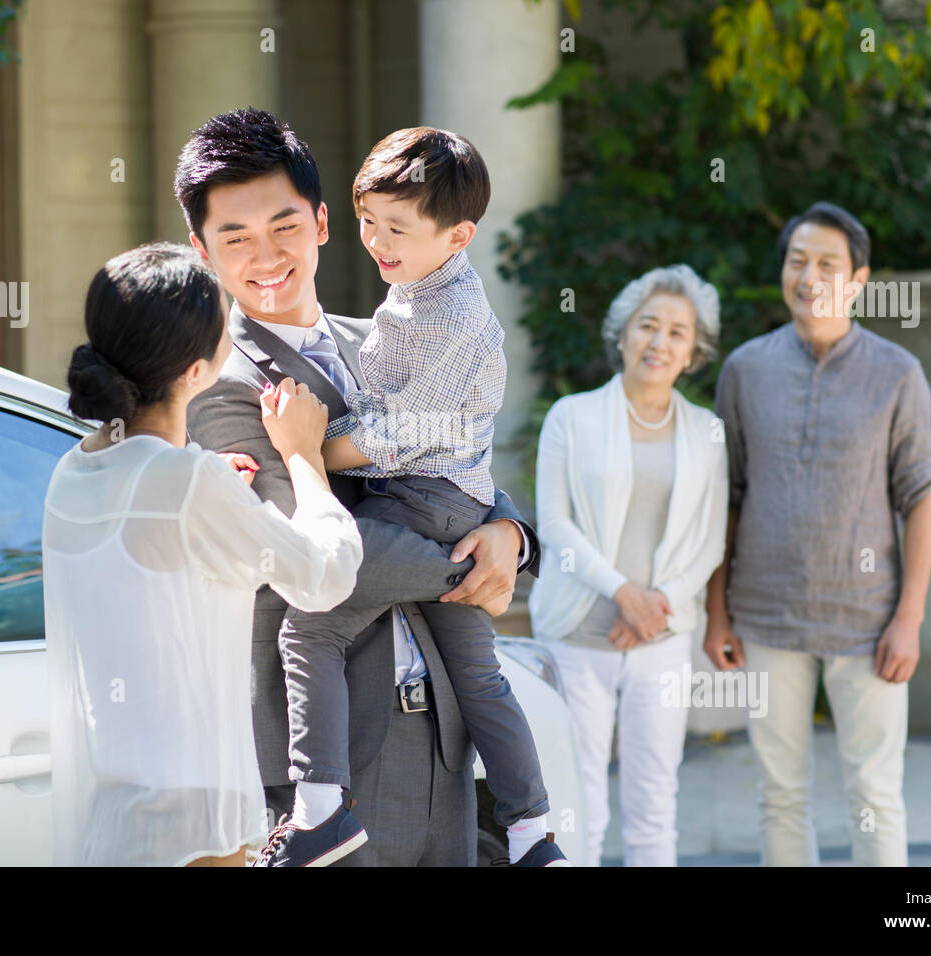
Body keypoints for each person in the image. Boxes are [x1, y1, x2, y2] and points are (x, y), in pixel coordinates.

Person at [176, 107, 540, 866]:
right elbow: (310, 553)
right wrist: (467, 569)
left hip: (443, 745)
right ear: (200, 250)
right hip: (335, 764)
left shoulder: (391, 330)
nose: (265, 255)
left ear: (322, 221)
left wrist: (511, 533)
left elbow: (453, 450)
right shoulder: (223, 391)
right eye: (234, 237)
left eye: (283, 226)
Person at [267, 127, 560, 867]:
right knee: (482, 675)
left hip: (421, 501)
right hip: (431, 517)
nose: (377, 241)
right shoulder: (413, 298)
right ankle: (531, 832)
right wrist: (494, 554)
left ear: (459, 234)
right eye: (369, 221)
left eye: (397, 228)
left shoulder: (445, 315)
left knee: (313, 626)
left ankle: (321, 806)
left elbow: (401, 433)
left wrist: (307, 446)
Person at [43, 242, 362, 866]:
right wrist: (303, 455)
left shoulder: (71, 474)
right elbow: (324, 577)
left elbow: (151, 548)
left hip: (113, 821)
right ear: (195, 372)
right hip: (196, 828)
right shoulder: (187, 484)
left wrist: (206, 487)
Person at [705, 201, 931, 866]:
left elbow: (922, 498)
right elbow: (729, 496)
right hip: (765, 614)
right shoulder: (745, 371)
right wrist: (717, 612)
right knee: (779, 794)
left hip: (869, 622)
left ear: (859, 279)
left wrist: (910, 619)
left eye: (828, 263)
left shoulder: (897, 373)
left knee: (874, 793)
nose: (809, 275)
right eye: (797, 260)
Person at [530, 264, 728, 867]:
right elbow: (555, 527)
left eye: (676, 332)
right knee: (578, 804)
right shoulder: (572, 416)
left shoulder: (707, 431)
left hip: (660, 640)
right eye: (648, 326)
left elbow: (711, 541)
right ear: (622, 334)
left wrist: (653, 607)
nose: (659, 342)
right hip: (579, 634)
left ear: (693, 351)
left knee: (653, 804)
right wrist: (625, 594)